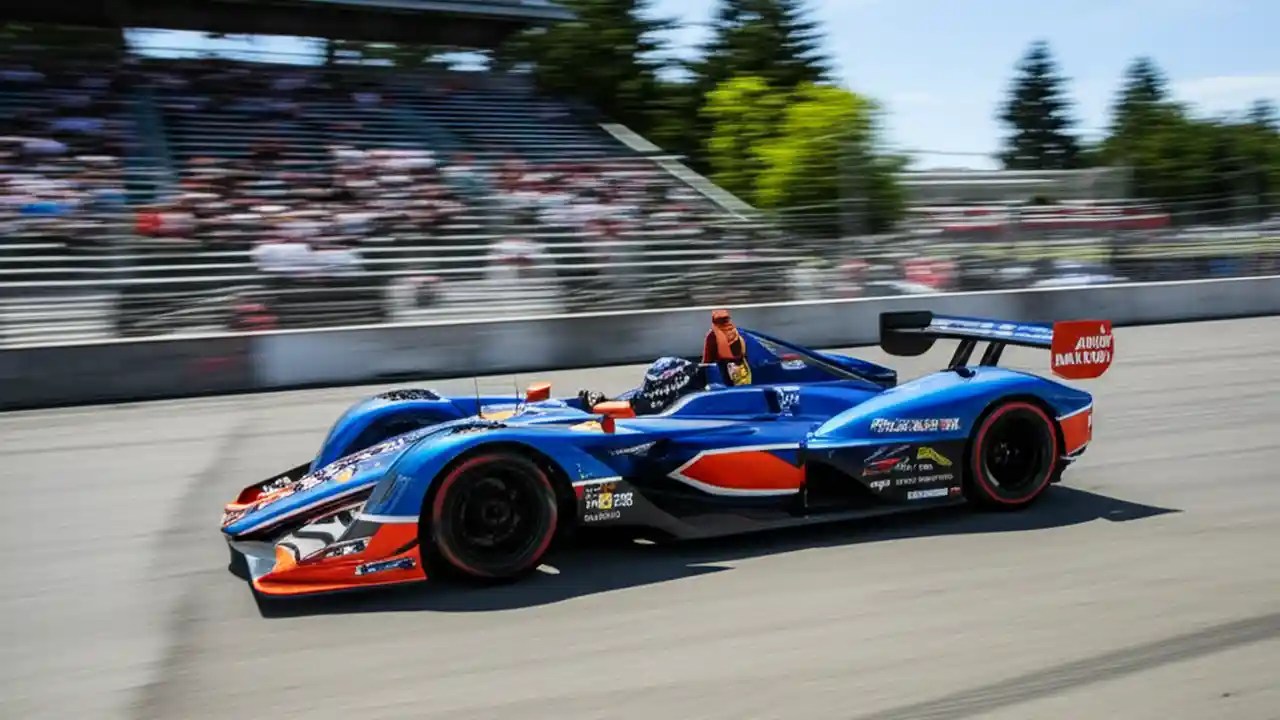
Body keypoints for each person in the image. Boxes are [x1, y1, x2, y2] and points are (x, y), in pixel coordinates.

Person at [702, 309, 752, 386]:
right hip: (740, 368)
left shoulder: (712, 335)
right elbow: (742, 350)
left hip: (725, 369)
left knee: (728, 387)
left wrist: (703, 366)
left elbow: (708, 355)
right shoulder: (734, 331)